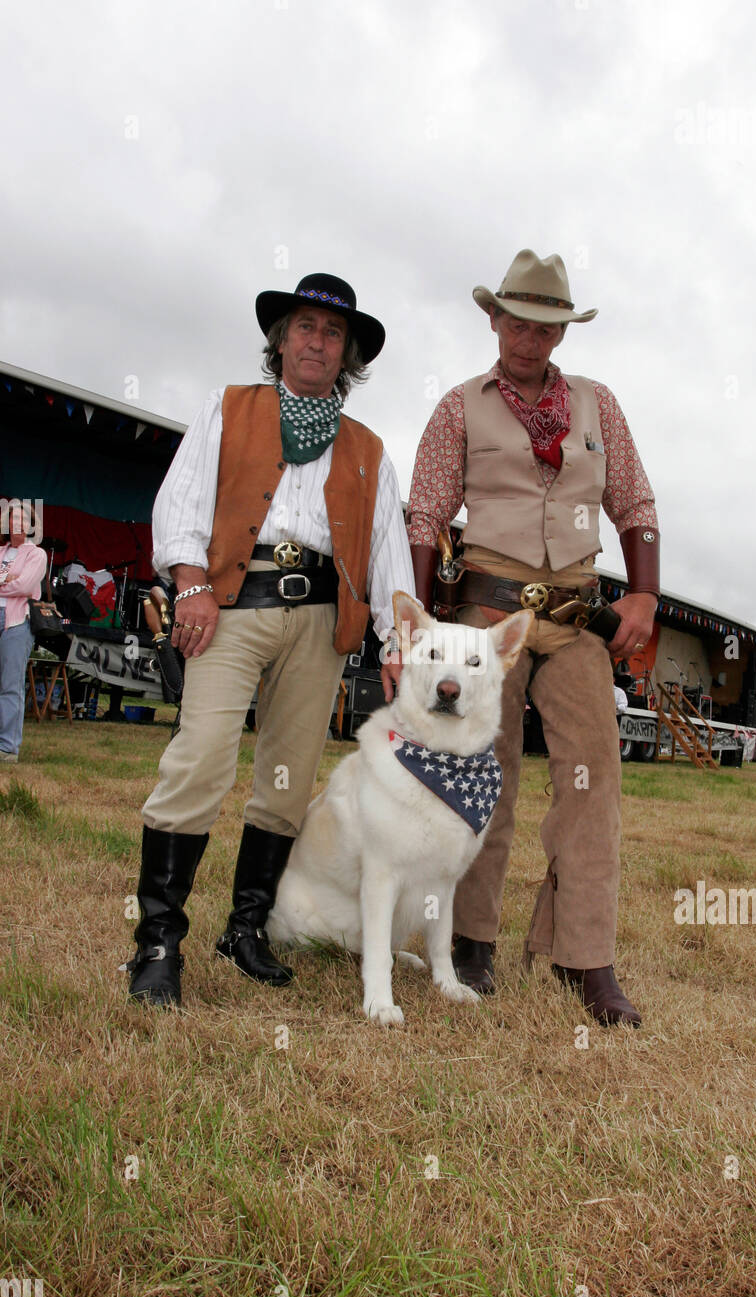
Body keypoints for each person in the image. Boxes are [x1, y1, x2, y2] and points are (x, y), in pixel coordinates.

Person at [125, 273, 414, 1007]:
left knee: (288, 778)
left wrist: (397, 642)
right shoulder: (228, 409)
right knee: (199, 758)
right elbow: (180, 504)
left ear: (347, 354)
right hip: (229, 605)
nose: (318, 342)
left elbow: (388, 558)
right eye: (306, 327)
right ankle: (158, 943)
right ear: (281, 340)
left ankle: (244, 928)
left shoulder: (371, 450)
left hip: (321, 622)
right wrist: (190, 586)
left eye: (333, 333)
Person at [407, 249, 660, 1026]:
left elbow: (636, 503)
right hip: (488, 615)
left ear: (563, 331)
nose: (531, 337)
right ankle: (472, 944)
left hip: (580, 616)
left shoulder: (598, 404)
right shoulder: (459, 406)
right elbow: (424, 515)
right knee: (487, 774)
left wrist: (644, 593)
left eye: (548, 325)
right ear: (494, 320)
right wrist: (415, 632)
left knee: (594, 782)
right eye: (518, 321)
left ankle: (585, 960)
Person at [0, 503, 48, 764]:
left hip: (17, 622)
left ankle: (7, 747)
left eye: (22, 518)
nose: (16, 523)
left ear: (31, 525)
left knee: (10, 685)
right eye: (12, 518)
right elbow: (13, 582)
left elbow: (26, 585)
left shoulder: (37, 554)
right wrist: (10, 581)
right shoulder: (3, 552)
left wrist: (8, 582)